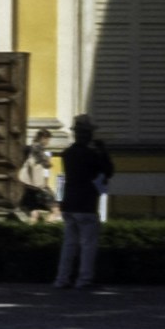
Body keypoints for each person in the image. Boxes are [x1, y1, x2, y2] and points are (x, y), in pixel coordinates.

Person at [52, 114, 116, 294]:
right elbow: (108, 171)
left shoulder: (68, 154)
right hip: (86, 203)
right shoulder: (91, 155)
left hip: (69, 202)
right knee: (88, 244)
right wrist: (103, 152)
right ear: (88, 134)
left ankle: (62, 278)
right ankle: (84, 279)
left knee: (69, 244)